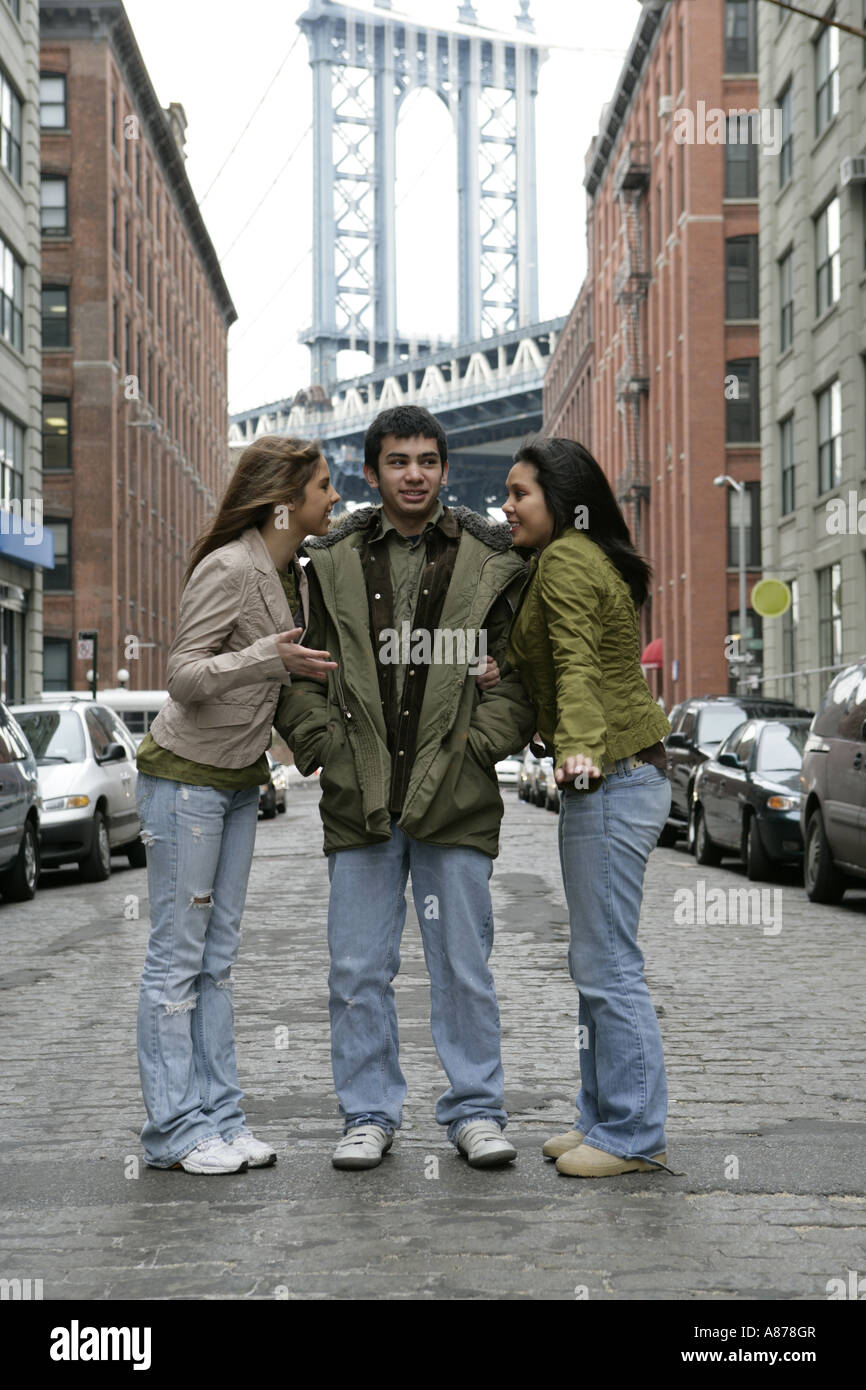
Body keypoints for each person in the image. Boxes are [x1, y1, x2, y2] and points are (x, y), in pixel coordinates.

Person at [275, 405, 536, 1171]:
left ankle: (476, 1110)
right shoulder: (330, 561)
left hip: (455, 798)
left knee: (463, 964)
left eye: (427, 460)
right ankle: (368, 1112)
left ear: (446, 470)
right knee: (357, 969)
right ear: (372, 470)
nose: (414, 473)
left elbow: (518, 677)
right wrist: (322, 744)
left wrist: (478, 749)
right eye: (398, 461)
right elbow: (301, 670)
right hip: (361, 796)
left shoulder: (496, 560)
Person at [135, 436, 340, 1174]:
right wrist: (267, 659)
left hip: (235, 784)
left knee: (216, 963)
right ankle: (174, 1132)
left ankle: (221, 1118)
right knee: (177, 961)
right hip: (185, 780)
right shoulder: (229, 567)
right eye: (323, 485)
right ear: (287, 497)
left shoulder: (291, 572)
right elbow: (184, 676)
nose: (334, 497)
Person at [503, 435, 672, 1178]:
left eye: (519, 495)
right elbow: (558, 654)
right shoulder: (563, 560)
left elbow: (575, 661)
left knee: (609, 967)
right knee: (594, 961)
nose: (506, 507)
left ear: (560, 502)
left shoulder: (568, 559)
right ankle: (600, 1118)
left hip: (610, 776)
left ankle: (634, 1136)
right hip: (615, 777)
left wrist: (575, 747)